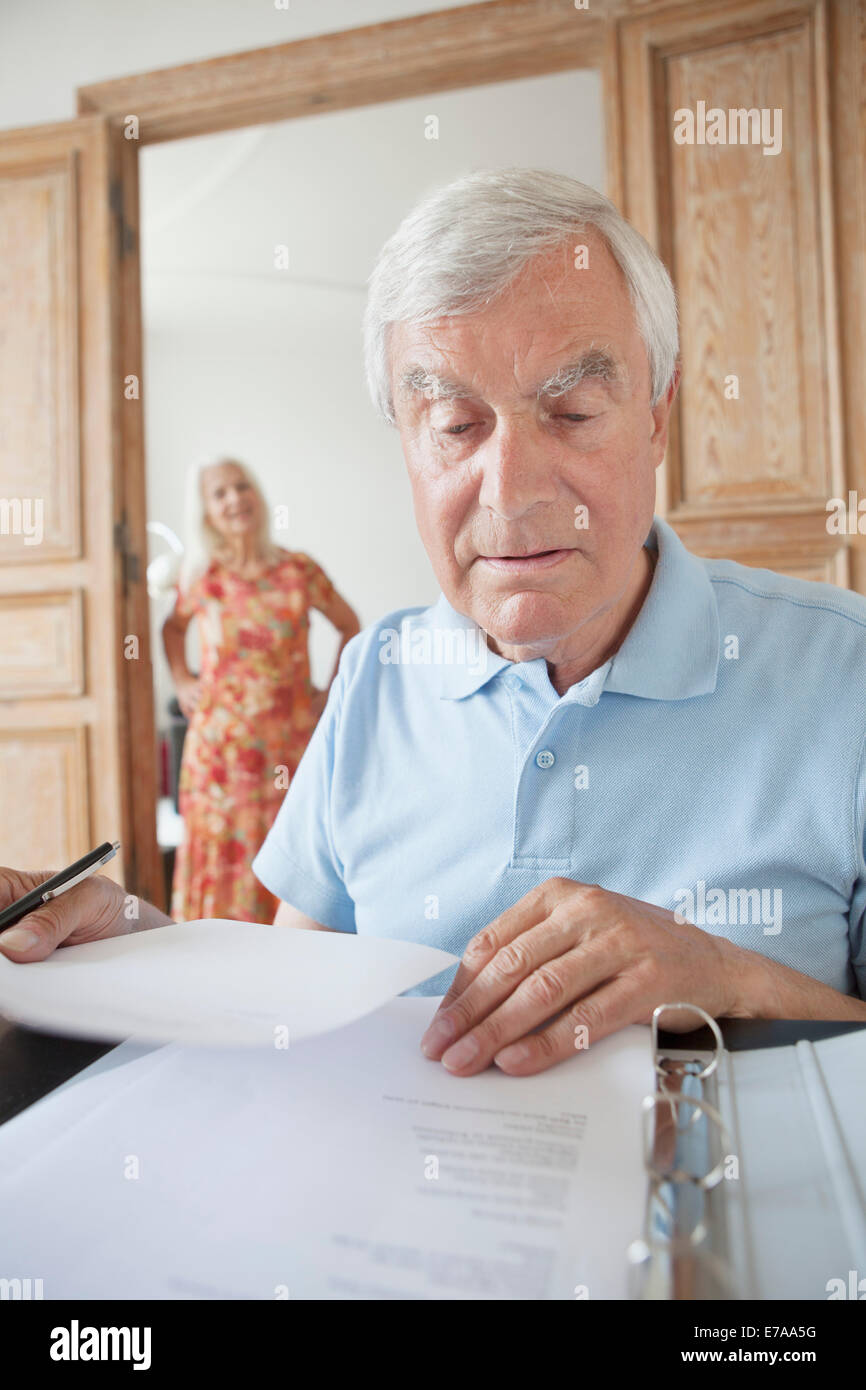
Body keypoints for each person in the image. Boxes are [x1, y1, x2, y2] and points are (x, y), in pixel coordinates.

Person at [1, 169, 864, 1077]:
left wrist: (729, 978)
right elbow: (290, 992)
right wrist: (131, 948)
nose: (514, 491)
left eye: (572, 414)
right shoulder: (380, 670)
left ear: (657, 417)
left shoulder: (840, 671)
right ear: (406, 445)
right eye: (454, 425)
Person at [162, 458, 359, 921]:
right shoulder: (201, 576)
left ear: (257, 494)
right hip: (219, 755)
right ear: (207, 512)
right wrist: (182, 679)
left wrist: (328, 694)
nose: (235, 499)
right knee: (223, 858)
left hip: (287, 747)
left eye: (241, 487)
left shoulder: (298, 570)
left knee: (289, 855)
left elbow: (350, 627)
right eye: (220, 493)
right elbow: (171, 630)